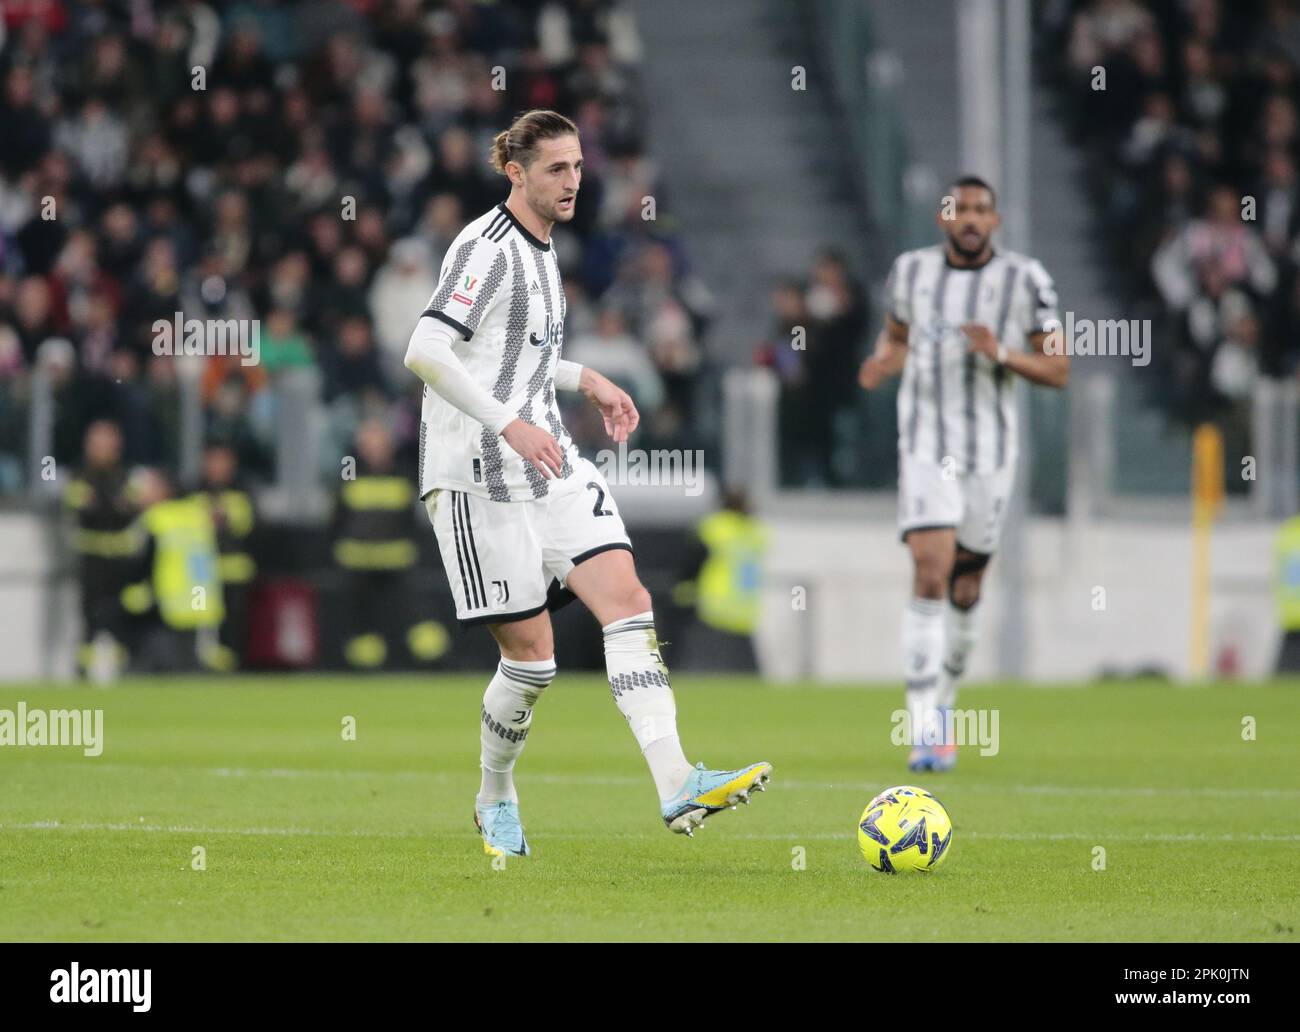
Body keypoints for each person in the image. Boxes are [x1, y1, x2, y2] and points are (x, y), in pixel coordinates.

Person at [403, 109, 770, 858]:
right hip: (474, 473)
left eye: (576, 167)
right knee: (533, 661)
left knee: (629, 601)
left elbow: (515, 358)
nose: (573, 182)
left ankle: (677, 780)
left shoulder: (545, 252)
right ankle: (495, 793)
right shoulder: (486, 247)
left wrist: (587, 378)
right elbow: (426, 349)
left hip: (551, 459)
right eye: (555, 169)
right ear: (517, 173)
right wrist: (509, 423)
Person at [858, 176, 1070, 772]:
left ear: (995, 221)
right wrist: (882, 364)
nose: (971, 219)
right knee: (930, 569)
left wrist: (1001, 352)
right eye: (961, 210)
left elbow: (1058, 369)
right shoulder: (910, 273)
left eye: (982, 210)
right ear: (943, 217)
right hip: (926, 445)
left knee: (967, 587)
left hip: (991, 456)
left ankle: (946, 703)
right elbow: (897, 337)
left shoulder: (1027, 280)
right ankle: (924, 725)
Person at [64, 420, 140, 678]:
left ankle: (122, 665)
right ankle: (84, 667)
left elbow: (126, 511)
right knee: (90, 614)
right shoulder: (79, 473)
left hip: (121, 558)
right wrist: (111, 505)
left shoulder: (125, 474)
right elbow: (86, 509)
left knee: (119, 612)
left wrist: (104, 505)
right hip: (92, 556)